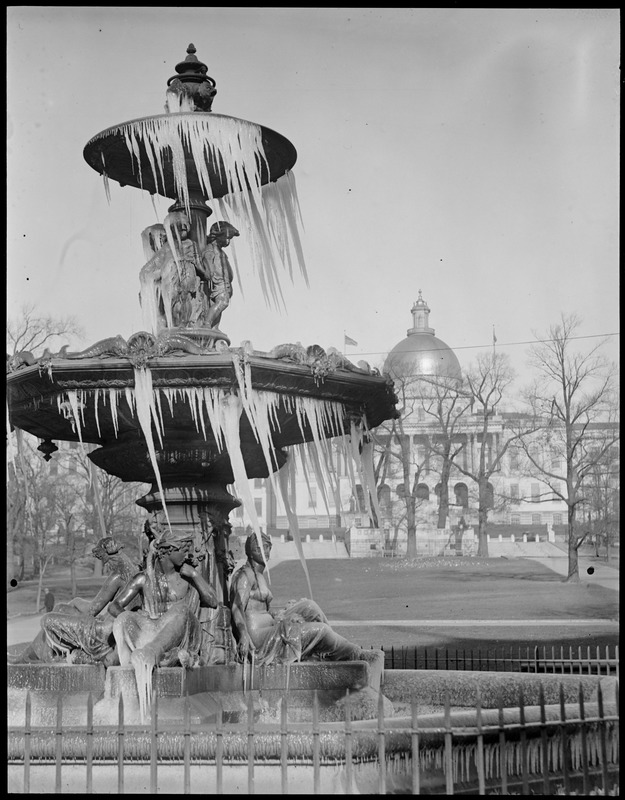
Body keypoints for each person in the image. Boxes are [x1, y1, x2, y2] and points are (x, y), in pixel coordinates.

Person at [107, 527, 219, 716]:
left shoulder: (187, 579)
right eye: (183, 549)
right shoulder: (144, 578)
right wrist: (138, 616)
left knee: (181, 610)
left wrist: (194, 575)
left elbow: (213, 601)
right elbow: (114, 606)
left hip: (182, 633)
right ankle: (150, 658)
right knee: (125, 618)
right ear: (168, 551)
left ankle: (152, 653)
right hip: (151, 629)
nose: (188, 554)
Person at [229, 531, 377, 667]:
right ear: (251, 551)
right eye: (260, 547)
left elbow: (261, 610)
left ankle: (331, 648)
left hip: (270, 625)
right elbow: (237, 607)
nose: (265, 551)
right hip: (259, 636)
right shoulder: (246, 576)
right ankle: (354, 653)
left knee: (309, 606)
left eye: (268, 547)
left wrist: (280, 613)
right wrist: (243, 635)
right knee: (322, 630)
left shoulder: (259, 575)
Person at [8, 537, 140, 666]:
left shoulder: (117, 577)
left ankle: (32, 657)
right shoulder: (134, 572)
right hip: (109, 627)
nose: (106, 564)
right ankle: (36, 655)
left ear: (110, 555)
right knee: (61, 608)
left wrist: (76, 601)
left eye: (104, 560)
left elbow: (91, 611)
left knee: (47, 619)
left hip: (101, 635)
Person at [199, 221, 239, 330]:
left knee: (218, 305)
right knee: (223, 302)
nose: (228, 241)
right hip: (217, 281)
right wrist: (210, 272)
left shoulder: (220, 251)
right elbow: (207, 259)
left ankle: (215, 327)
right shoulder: (210, 248)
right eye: (227, 237)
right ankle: (206, 323)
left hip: (225, 282)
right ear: (218, 235)